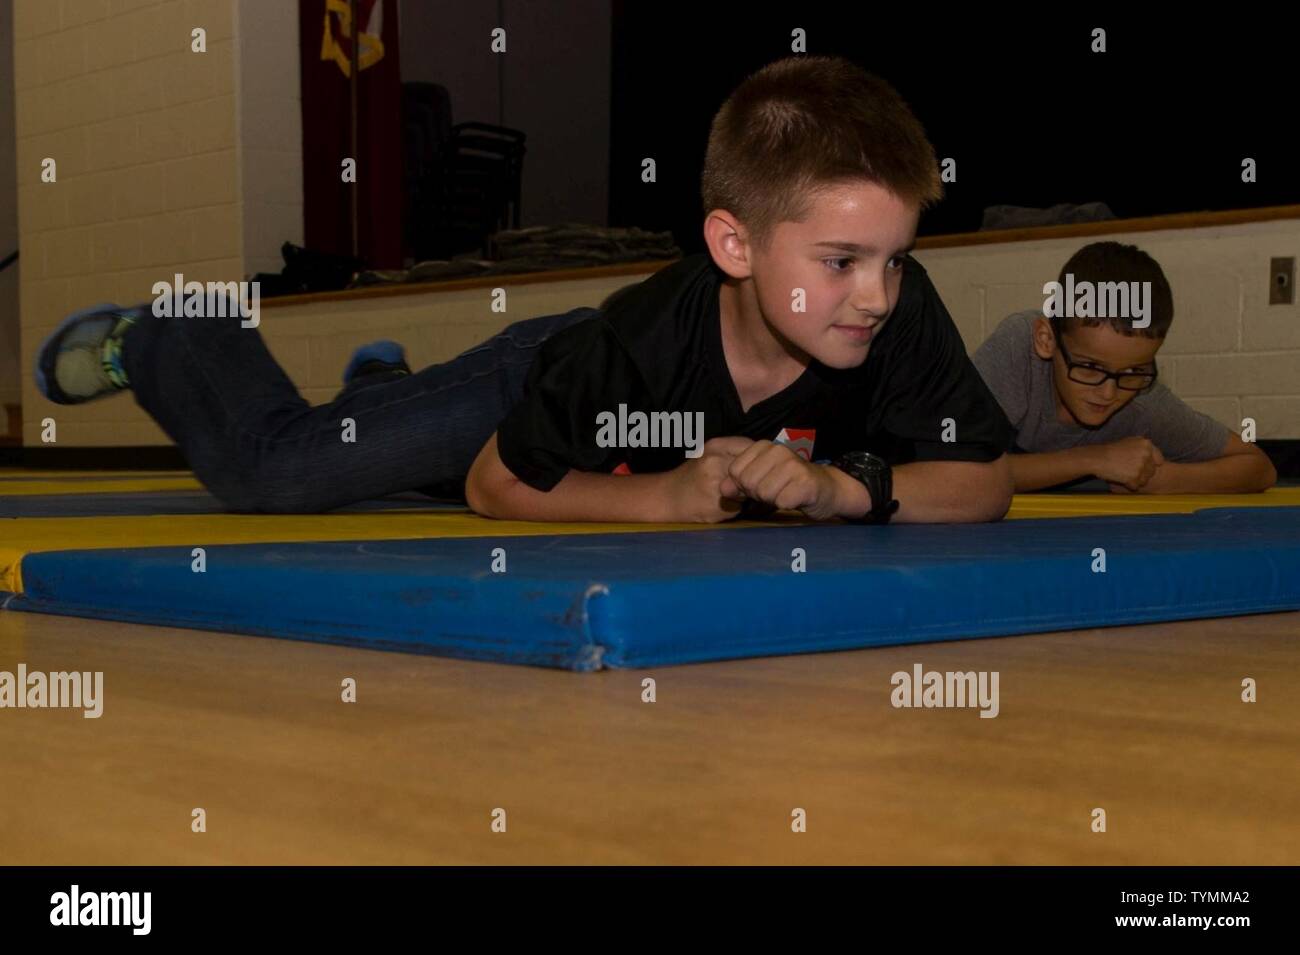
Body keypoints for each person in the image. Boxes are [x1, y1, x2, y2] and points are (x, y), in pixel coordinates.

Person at [36, 56, 1015, 523]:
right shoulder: (630, 347)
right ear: (734, 244)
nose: (877, 294)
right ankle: (169, 335)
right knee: (278, 473)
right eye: (842, 261)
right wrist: (667, 501)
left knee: (392, 466)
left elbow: (984, 480)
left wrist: (841, 487)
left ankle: (384, 385)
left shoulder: (895, 312)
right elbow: (495, 483)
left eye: (894, 257)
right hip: (528, 387)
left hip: (581, 435)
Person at [972, 241, 1277, 493]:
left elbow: (1259, 468)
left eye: (1133, 371)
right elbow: (963, 469)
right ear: (1046, 339)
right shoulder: (1018, 352)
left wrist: (1164, 480)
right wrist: (1094, 459)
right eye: (1090, 366)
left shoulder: (1144, 399)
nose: (1108, 392)